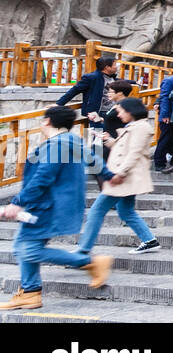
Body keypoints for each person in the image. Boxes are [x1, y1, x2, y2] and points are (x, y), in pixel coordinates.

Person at [0, 106, 112, 310]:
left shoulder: (57, 144)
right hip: (50, 205)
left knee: (28, 250)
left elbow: (43, 178)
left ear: (47, 121)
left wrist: (17, 203)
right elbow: (94, 160)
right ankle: (30, 292)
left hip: (45, 206)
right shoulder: (72, 141)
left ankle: (88, 262)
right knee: (22, 247)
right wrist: (111, 175)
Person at [76, 97, 160, 255]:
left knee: (97, 210)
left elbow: (134, 153)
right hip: (125, 176)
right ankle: (149, 240)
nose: (119, 115)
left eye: (121, 111)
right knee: (125, 210)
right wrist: (107, 139)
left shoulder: (140, 128)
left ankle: (83, 248)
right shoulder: (135, 126)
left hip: (124, 176)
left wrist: (120, 173)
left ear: (130, 111)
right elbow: (122, 148)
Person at [56, 54, 118, 135]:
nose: (116, 67)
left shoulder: (111, 77)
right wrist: (59, 103)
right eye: (114, 65)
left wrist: (135, 83)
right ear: (107, 67)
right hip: (96, 113)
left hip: (110, 112)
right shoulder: (91, 77)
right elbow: (75, 90)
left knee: (109, 137)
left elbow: (123, 81)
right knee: (98, 140)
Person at [152, 59, 173, 172]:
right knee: (165, 138)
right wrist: (164, 114)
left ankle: (172, 159)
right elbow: (164, 96)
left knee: (172, 139)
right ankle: (159, 161)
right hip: (168, 115)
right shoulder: (170, 80)